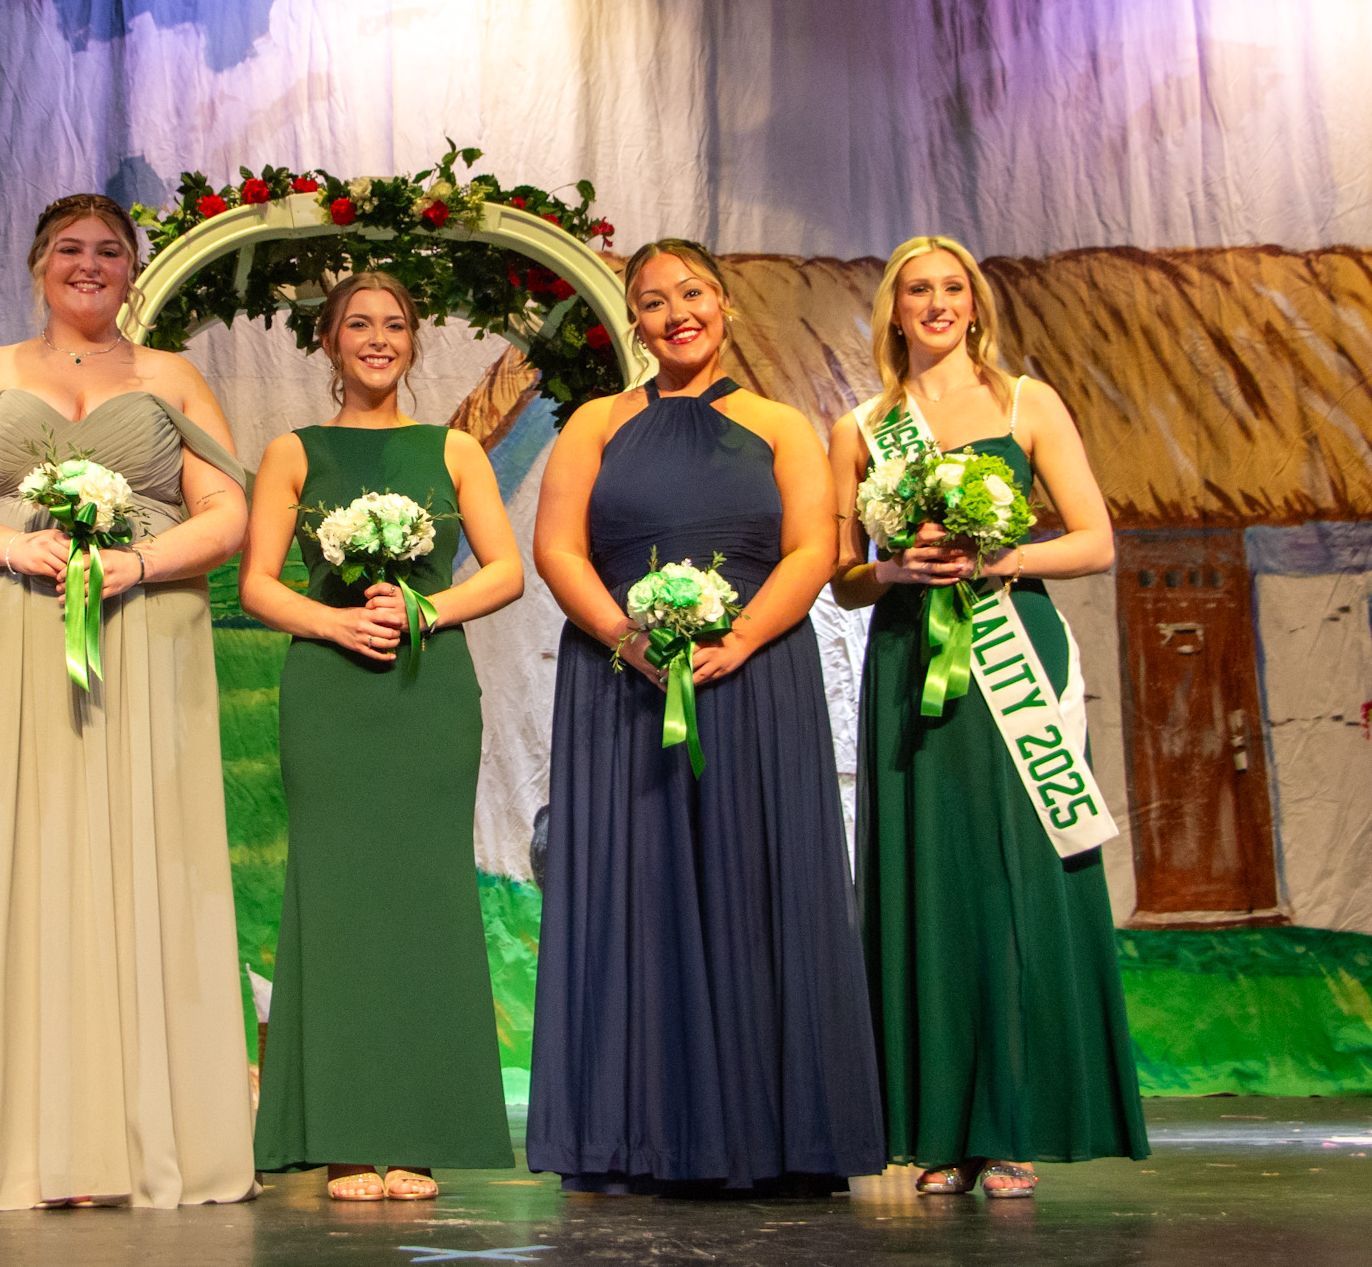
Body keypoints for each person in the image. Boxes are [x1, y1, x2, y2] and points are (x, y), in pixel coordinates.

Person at [0, 193, 256, 1210]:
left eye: (107, 252)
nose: (87, 265)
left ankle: (136, 1142)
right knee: (13, 857)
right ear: (36, 262)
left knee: (138, 860)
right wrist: (10, 544)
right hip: (7, 636)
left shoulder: (172, 378)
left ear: (130, 271)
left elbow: (224, 513)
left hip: (142, 640)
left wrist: (137, 562)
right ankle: (19, 1142)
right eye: (68, 249)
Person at [529, 239, 885, 1193]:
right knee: (631, 890)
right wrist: (625, 636)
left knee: (754, 882)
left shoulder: (780, 425)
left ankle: (777, 1138)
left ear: (723, 304)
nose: (675, 312)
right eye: (653, 301)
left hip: (754, 675)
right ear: (633, 322)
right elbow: (557, 548)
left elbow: (812, 550)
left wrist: (740, 640)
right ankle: (631, 1135)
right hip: (622, 679)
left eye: (692, 293)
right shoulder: (596, 425)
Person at [829, 236, 1149, 1198]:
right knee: (927, 879)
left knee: (1017, 879)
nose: (935, 303)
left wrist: (1002, 560)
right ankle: (934, 1130)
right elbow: (843, 578)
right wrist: (894, 569)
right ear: (893, 311)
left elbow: (1095, 541)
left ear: (976, 306)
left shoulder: (1027, 403)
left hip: (1013, 658)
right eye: (916, 290)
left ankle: (1010, 1123)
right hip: (911, 660)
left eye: (951, 289)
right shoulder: (860, 426)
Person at [241, 272, 525, 1201]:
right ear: (329, 341)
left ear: (413, 340)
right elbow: (260, 585)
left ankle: (420, 1135)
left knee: (424, 896)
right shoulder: (294, 451)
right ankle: (346, 1137)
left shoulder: (453, 450)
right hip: (330, 692)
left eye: (394, 324)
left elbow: (506, 571)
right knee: (338, 899)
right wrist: (333, 625)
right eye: (357, 324)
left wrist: (423, 610)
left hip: (424, 687)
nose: (377, 338)